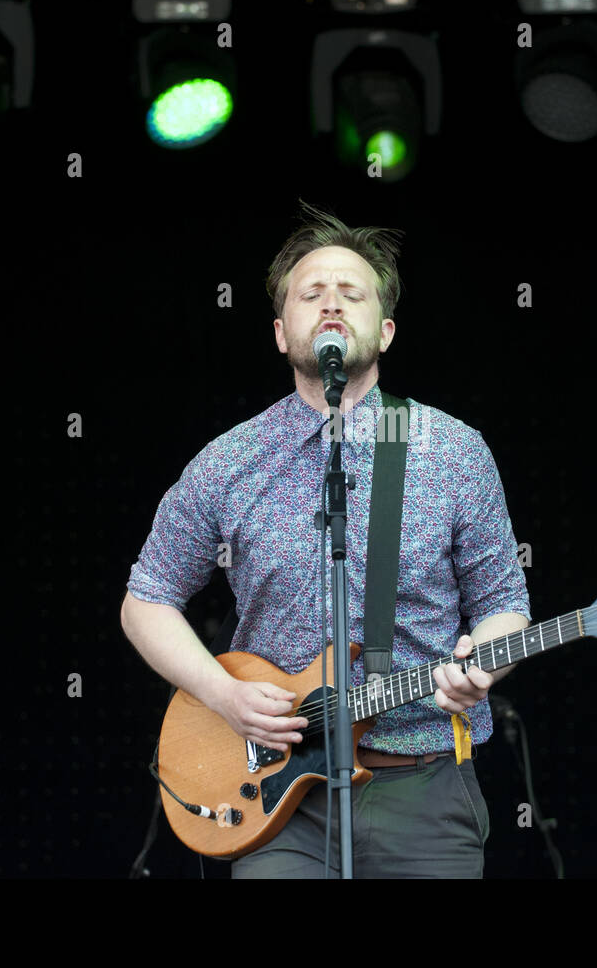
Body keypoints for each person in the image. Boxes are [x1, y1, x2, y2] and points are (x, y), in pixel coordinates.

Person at [119, 200, 530, 878]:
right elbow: (147, 598)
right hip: (275, 796)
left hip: (422, 786)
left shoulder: (453, 451)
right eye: (312, 294)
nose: (332, 304)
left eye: (352, 294)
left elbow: (503, 602)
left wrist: (483, 662)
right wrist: (223, 697)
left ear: (387, 330)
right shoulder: (230, 461)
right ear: (282, 333)